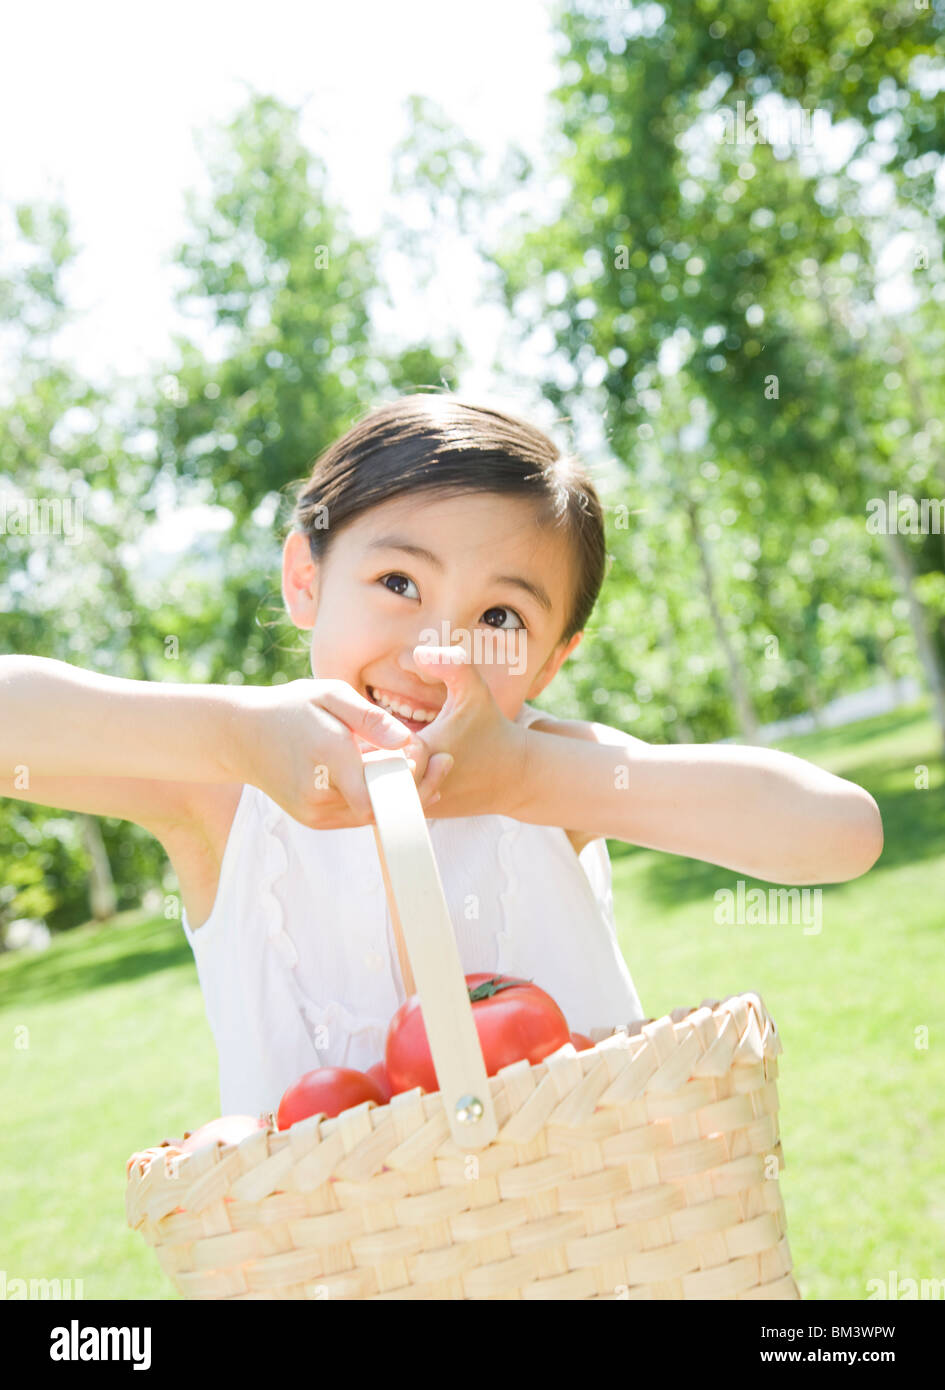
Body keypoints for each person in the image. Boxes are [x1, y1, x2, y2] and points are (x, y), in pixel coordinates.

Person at [0, 392, 883, 1120]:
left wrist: (531, 774)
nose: (437, 652)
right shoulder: (226, 801)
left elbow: (840, 831)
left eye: (499, 619)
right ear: (304, 580)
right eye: (398, 584)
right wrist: (234, 733)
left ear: (552, 658)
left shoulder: (552, 775)